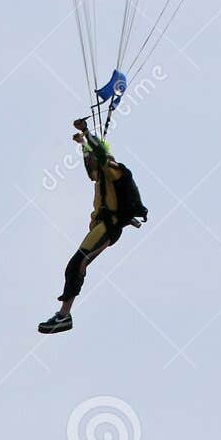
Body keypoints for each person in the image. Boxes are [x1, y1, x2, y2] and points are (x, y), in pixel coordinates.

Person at [38, 118, 146, 334]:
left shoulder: (114, 170)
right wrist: (83, 146)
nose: (91, 165)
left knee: (76, 264)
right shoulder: (101, 178)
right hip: (102, 227)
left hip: (109, 227)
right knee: (77, 264)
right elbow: (92, 168)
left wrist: (87, 132)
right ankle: (64, 315)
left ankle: (64, 316)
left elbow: (100, 157)